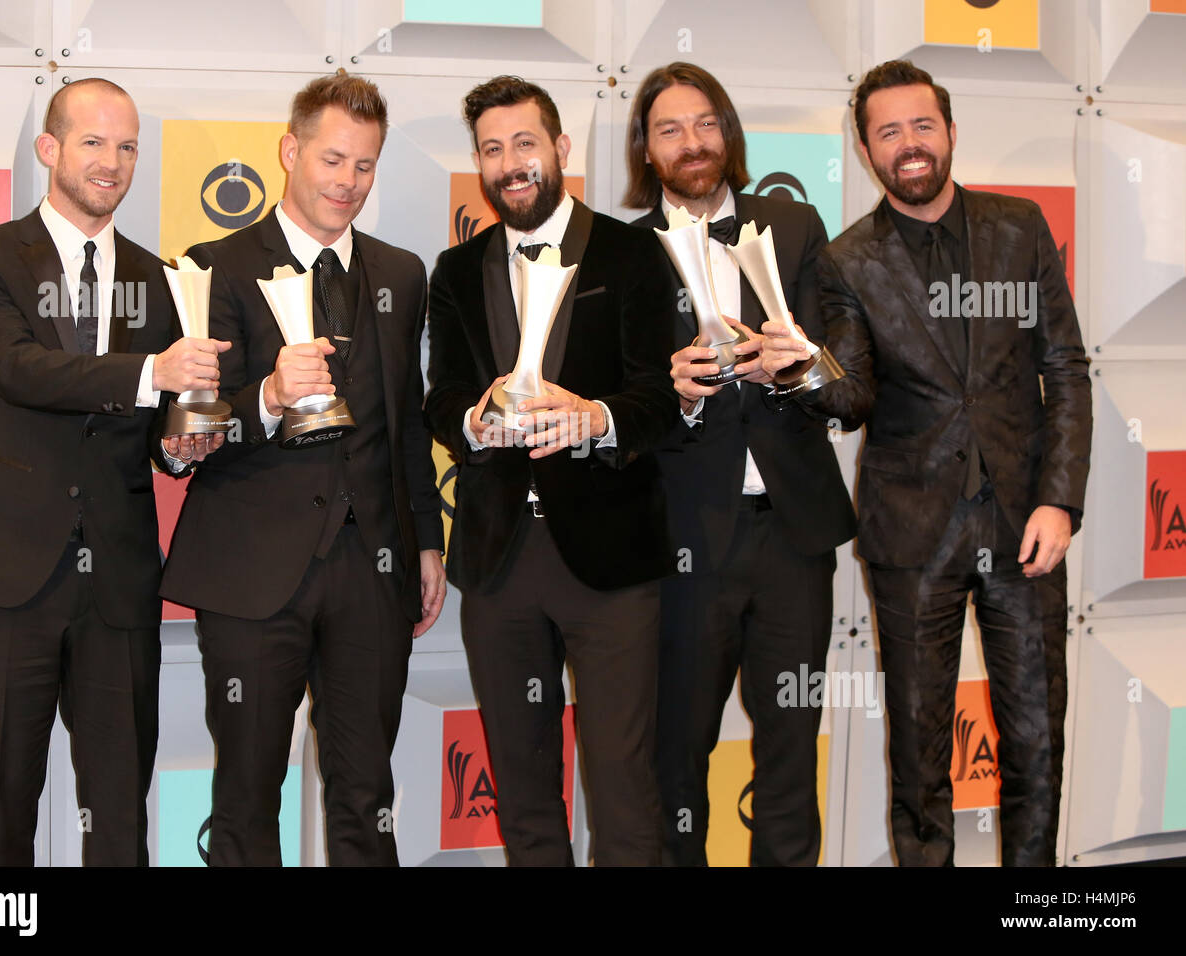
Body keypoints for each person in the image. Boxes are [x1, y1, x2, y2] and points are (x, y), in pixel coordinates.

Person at [764, 59, 1092, 866]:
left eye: (921, 126)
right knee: (918, 757)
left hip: (1026, 527)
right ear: (867, 150)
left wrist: (1062, 501)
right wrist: (802, 369)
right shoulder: (848, 262)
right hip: (913, 536)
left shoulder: (1021, 227)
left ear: (948, 131)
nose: (908, 145)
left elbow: (1067, 369)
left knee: (1036, 741)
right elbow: (854, 399)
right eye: (888, 132)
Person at [0, 77, 228, 865]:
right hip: (3, 576)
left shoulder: (163, 279)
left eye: (128, 146)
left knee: (121, 817)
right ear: (49, 149)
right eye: (94, 142)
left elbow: (160, 431)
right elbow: (19, 370)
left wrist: (178, 448)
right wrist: (149, 374)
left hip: (119, 585)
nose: (113, 162)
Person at [159, 74, 446, 866]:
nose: (347, 182)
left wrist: (425, 538)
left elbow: (407, 421)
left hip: (372, 567)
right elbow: (185, 431)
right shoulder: (212, 267)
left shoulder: (400, 274)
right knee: (247, 796)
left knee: (366, 794)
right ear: (290, 152)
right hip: (253, 574)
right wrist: (269, 398)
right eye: (332, 159)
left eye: (364, 165)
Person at [424, 75, 677, 866]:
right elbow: (441, 400)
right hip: (498, 563)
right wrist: (474, 418)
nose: (511, 164)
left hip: (612, 563)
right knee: (524, 792)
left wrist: (593, 416)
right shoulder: (456, 270)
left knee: (623, 789)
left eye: (525, 143)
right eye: (493, 150)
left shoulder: (634, 253)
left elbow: (661, 399)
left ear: (561, 148)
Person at [624, 62, 856, 866]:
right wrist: (677, 395)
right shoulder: (618, 251)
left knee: (792, 751)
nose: (692, 142)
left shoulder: (794, 227)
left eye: (705, 123)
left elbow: (846, 383)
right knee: (676, 755)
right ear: (646, 151)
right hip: (683, 544)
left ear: (728, 131)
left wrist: (799, 366)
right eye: (670, 129)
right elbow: (612, 416)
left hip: (794, 536)